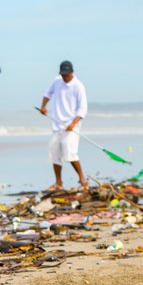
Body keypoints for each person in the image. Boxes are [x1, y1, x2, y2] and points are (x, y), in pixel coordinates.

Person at [39, 60, 88, 190]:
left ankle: (82, 179)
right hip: (57, 124)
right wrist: (43, 107)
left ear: (72, 72)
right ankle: (58, 182)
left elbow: (82, 109)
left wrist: (73, 124)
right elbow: (47, 94)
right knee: (54, 153)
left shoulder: (78, 86)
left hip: (72, 125)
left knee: (70, 152)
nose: (64, 77)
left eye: (66, 74)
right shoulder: (57, 81)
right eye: (62, 74)